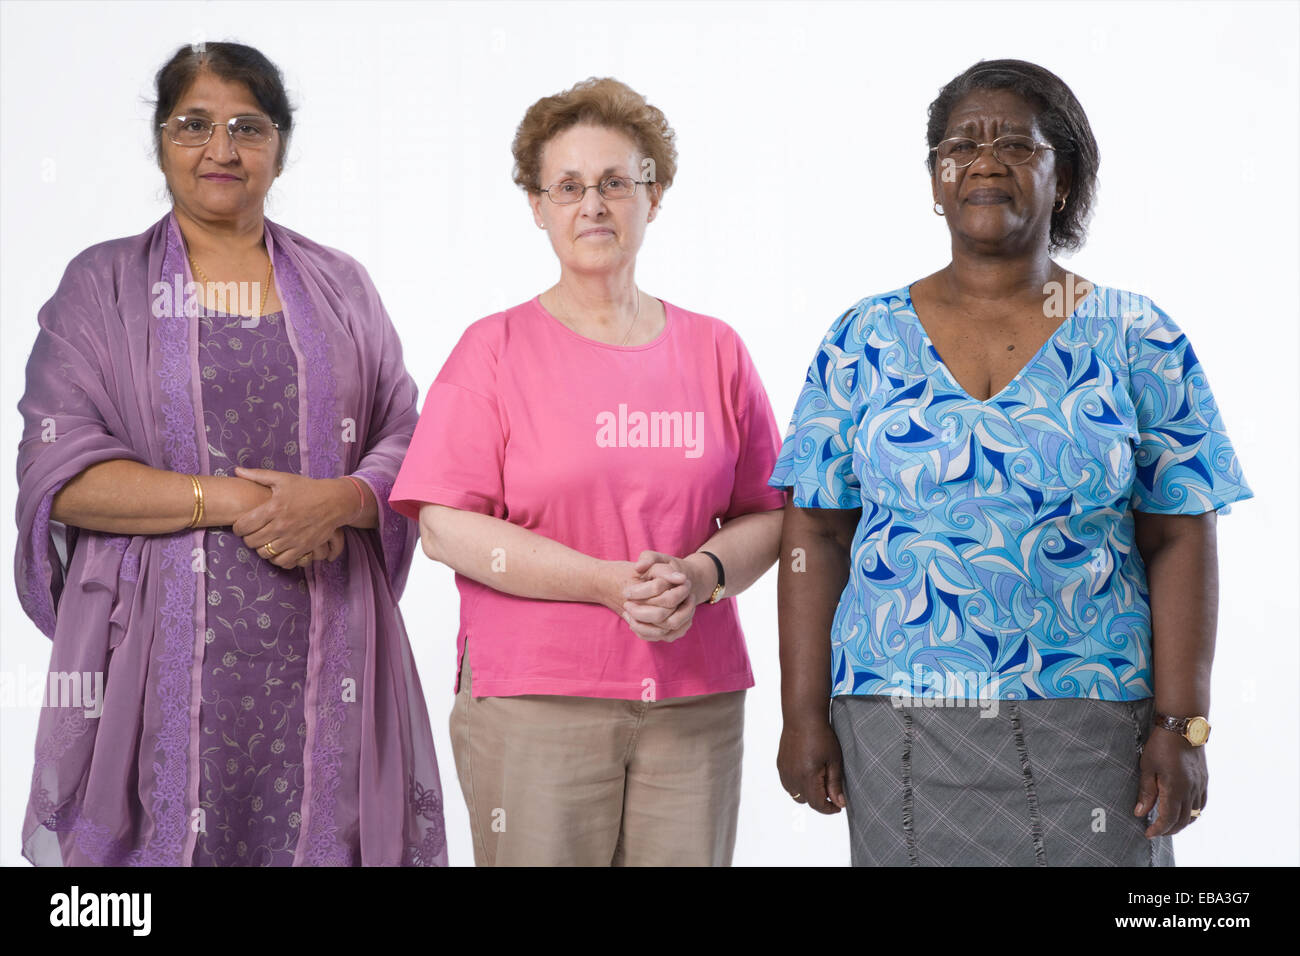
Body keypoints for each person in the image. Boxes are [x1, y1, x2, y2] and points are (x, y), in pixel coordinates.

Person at [768, 58, 1252, 866]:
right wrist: (802, 711)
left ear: (1063, 181)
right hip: (897, 718)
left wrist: (1182, 723)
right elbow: (813, 534)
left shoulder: (1136, 337)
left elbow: (1180, 538)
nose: (985, 161)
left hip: (1092, 720)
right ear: (935, 179)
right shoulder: (863, 338)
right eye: (961, 145)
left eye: (1018, 146)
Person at [14, 41, 446, 866]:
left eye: (248, 126)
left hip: (329, 642)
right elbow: (58, 470)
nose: (222, 149)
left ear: (279, 145)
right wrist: (239, 501)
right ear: (161, 143)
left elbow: (409, 434)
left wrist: (345, 499)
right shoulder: (100, 287)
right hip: (151, 655)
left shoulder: (339, 284)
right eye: (195, 125)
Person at [389, 76, 784, 866]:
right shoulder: (492, 350)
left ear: (655, 195)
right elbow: (442, 527)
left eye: (616, 182)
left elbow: (770, 513)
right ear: (537, 205)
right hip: (536, 700)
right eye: (568, 186)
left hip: (693, 700)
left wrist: (702, 574)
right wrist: (605, 582)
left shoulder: (716, 350)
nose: (593, 204)